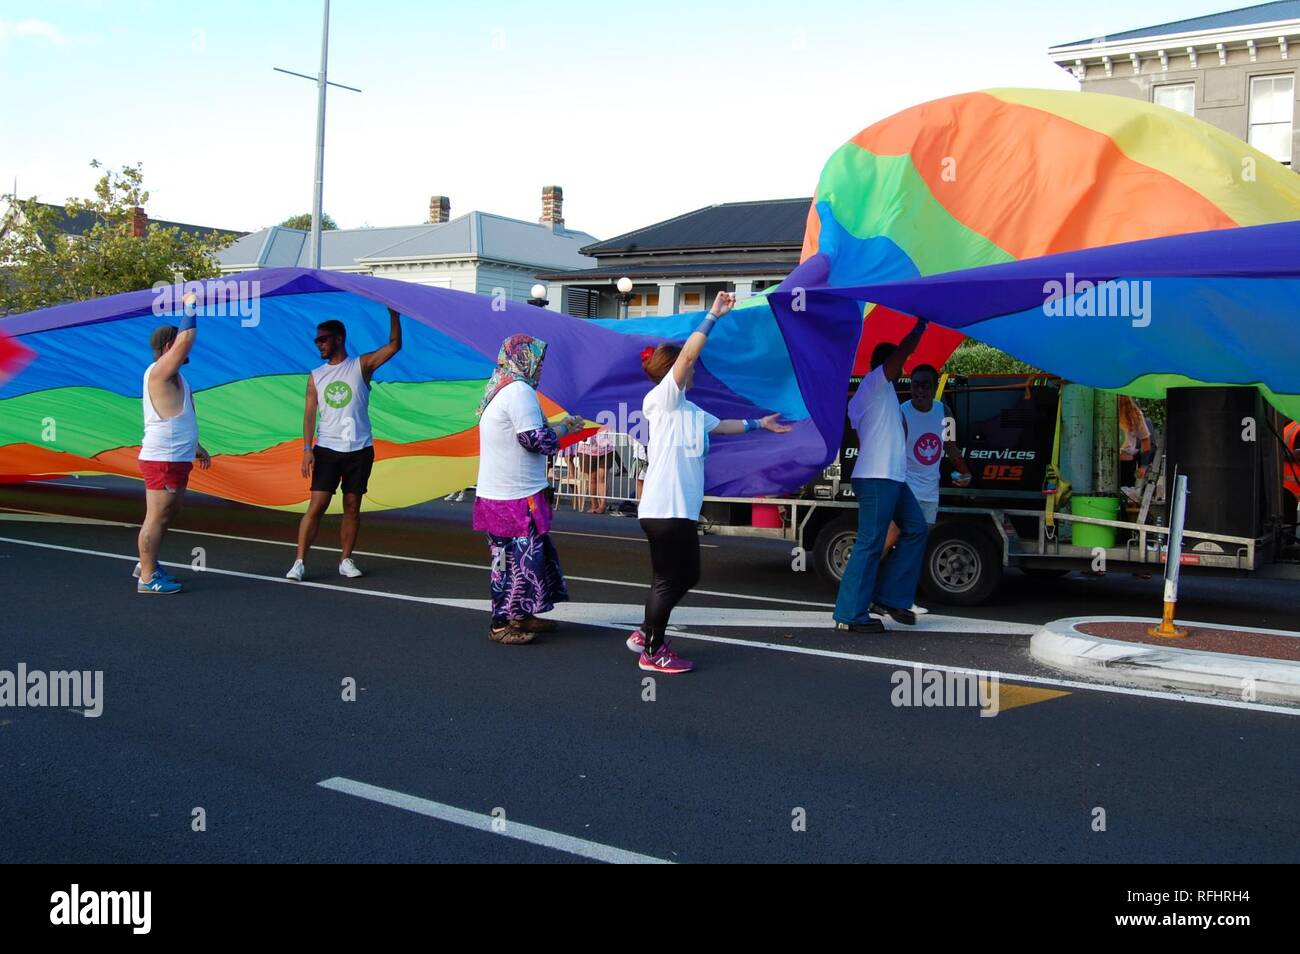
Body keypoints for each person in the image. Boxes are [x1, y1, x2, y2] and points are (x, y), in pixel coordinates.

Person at [628, 292, 791, 673]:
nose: (696, 369)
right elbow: (686, 358)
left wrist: (758, 423)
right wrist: (713, 316)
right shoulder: (663, 399)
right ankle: (652, 651)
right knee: (671, 579)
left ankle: (645, 632)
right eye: (691, 366)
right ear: (674, 372)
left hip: (679, 509)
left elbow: (721, 426)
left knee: (682, 575)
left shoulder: (690, 409)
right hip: (664, 507)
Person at [473, 334, 584, 645]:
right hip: (514, 496)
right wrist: (562, 431)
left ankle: (519, 615)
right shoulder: (519, 391)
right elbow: (533, 440)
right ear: (525, 359)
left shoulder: (500, 388)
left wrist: (561, 428)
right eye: (539, 361)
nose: (541, 368)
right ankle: (500, 623)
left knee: (512, 559)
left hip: (502, 493)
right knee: (515, 561)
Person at [286, 308, 402, 581]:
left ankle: (346, 560)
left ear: (338, 339)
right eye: (317, 340)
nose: (319, 344)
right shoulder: (315, 375)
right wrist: (306, 449)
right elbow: (309, 413)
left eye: (323, 339)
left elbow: (395, 346)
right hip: (327, 449)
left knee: (352, 506)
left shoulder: (361, 365)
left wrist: (394, 315)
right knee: (318, 505)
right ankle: (299, 562)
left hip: (359, 449)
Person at [833, 318, 930, 631]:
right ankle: (850, 615)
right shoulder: (874, 383)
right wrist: (919, 327)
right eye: (898, 365)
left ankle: (890, 597)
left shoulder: (884, 394)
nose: (903, 369)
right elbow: (900, 356)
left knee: (916, 528)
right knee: (870, 543)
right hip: (877, 477)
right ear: (885, 366)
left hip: (892, 478)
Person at [134, 302, 211, 594]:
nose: (186, 352)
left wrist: (196, 446)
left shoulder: (178, 378)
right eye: (178, 346)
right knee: (156, 516)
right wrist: (192, 305)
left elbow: (180, 414)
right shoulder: (158, 372)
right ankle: (147, 578)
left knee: (169, 512)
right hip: (162, 458)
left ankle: (146, 563)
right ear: (170, 345)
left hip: (177, 456)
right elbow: (187, 338)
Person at [883, 365, 973, 604]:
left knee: (916, 545)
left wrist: (965, 473)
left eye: (925, 385)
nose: (919, 390)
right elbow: (893, 451)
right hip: (906, 487)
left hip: (929, 491)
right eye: (915, 384)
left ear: (934, 388)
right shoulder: (901, 413)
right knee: (891, 538)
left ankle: (898, 594)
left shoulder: (944, 412)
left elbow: (951, 447)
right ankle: (870, 582)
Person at [1118, 395, 1152, 488]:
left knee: (1125, 494)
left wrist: (1143, 465)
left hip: (1125, 462)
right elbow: (1146, 440)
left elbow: (1146, 440)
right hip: (1106, 461)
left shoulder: (1134, 413)